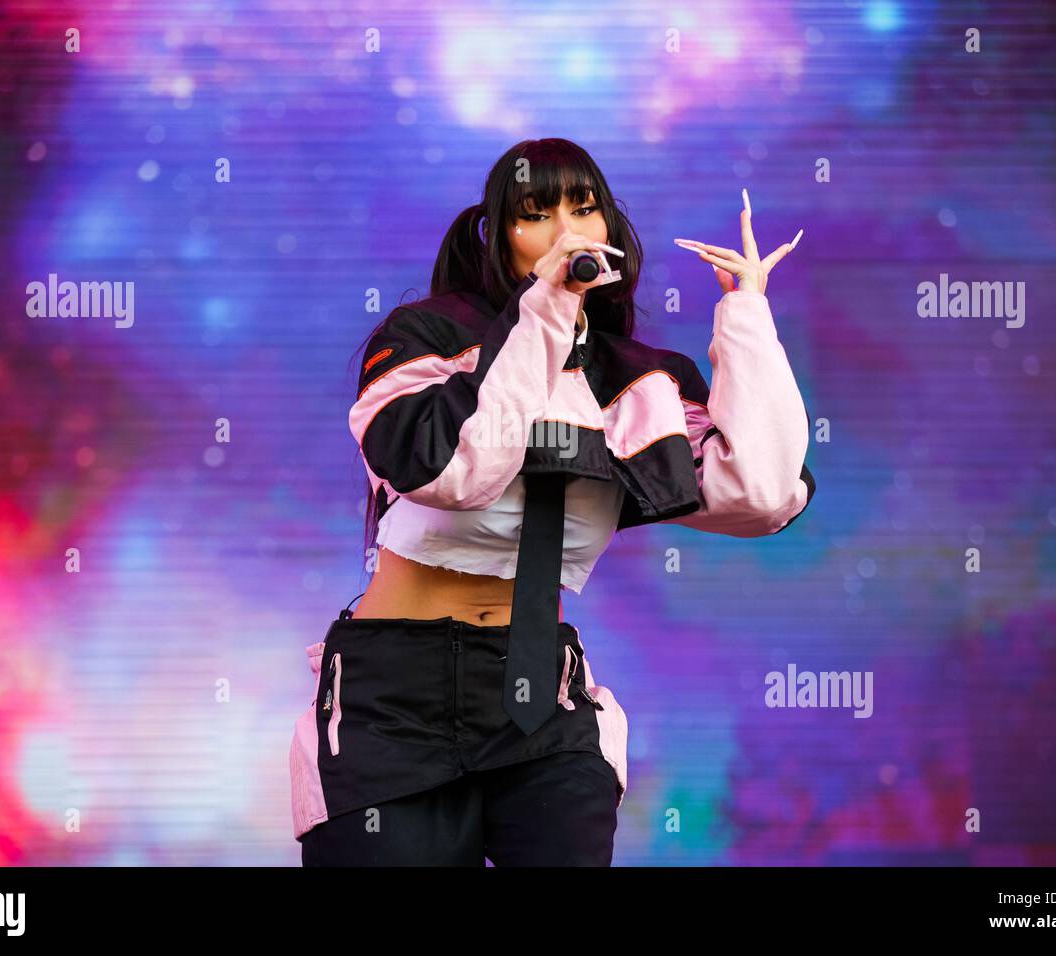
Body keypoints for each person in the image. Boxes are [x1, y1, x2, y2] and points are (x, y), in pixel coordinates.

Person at [291, 137, 815, 866]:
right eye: (535, 214)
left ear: (608, 231)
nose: (566, 230)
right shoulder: (429, 338)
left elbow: (761, 495)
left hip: (538, 695)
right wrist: (545, 309)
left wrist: (748, 318)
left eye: (584, 207)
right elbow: (454, 472)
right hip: (390, 700)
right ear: (501, 236)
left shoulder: (639, 382)